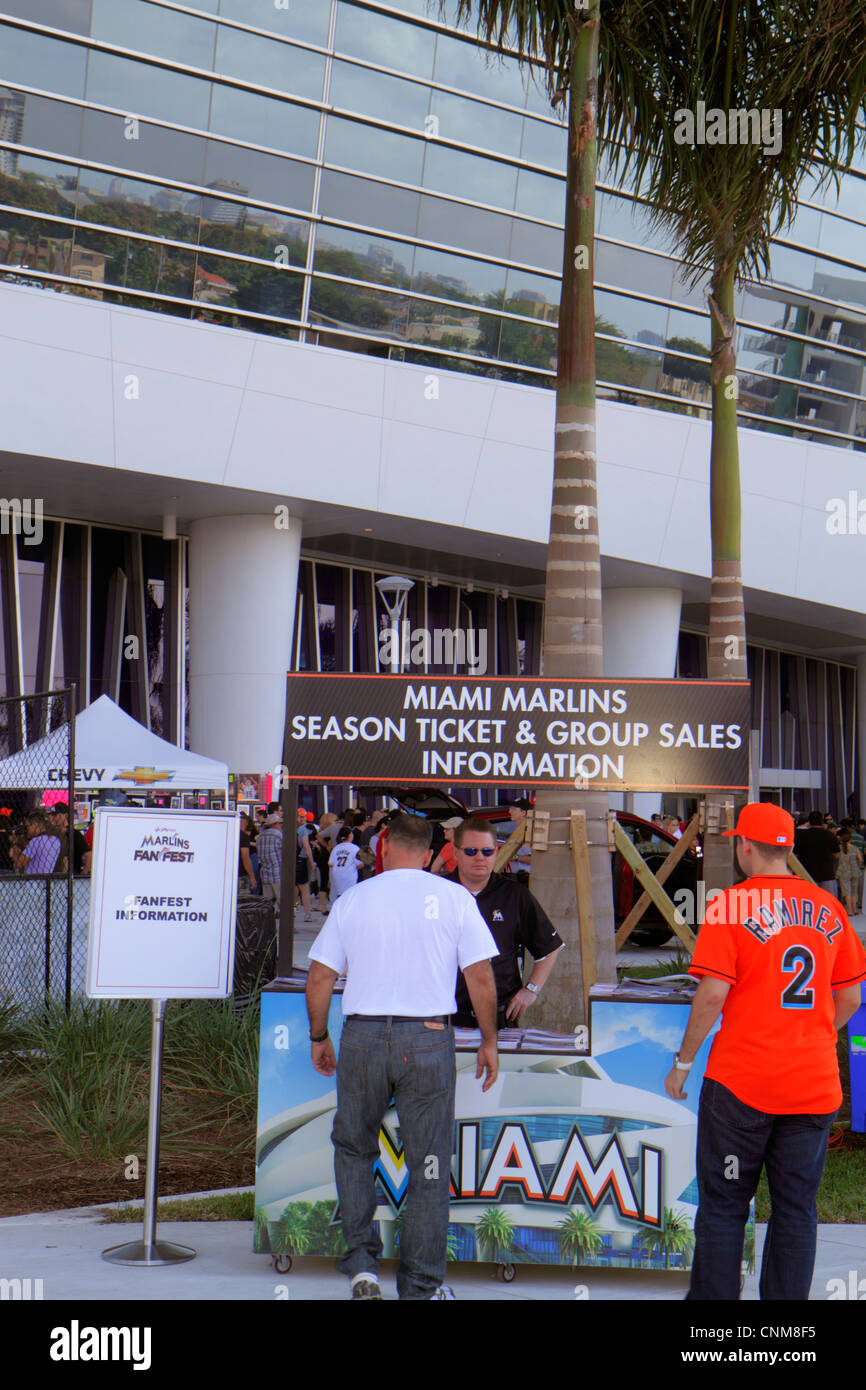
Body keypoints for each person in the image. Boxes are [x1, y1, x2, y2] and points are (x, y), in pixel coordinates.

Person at [664, 802, 866, 1301]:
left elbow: (712, 994)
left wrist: (683, 1061)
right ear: (790, 847)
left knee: (727, 1204)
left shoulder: (730, 905)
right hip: (812, 1085)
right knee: (796, 1207)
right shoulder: (830, 907)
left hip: (742, 1085)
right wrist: (815, 1033)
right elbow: (851, 996)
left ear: (744, 846)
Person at [305, 812, 499, 1301]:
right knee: (429, 1163)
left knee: (354, 1150)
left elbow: (320, 978)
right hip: (429, 1038)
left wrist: (318, 1036)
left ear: (386, 848)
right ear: (433, 854)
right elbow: (480, 978)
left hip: (363, 1038)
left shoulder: (354, 899)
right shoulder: (455, 898)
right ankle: (422, 1286)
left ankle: (363, 1269)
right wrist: (490, 1041)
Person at [448, 817, 564, 1029]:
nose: (480, 858)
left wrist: (531, 989)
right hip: (446, 1020)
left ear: (496, 852)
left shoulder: (514, 895)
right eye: (471, 851)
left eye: (487, 851)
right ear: (456, 853)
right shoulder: (438, 893)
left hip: (500, 1019)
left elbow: (550, 947)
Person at [793, 809, 840, 894]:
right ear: (822, 822)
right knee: (827, 902)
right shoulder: (829, 835)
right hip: (827, 874)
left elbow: (796, 854)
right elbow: (837, 855)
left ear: (809, 821)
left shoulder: (802, 836)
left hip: (807, 873)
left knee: (809, 900)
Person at [48, 802, 91, 875]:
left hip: (71, 874)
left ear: (65, 815)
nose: (53, 818)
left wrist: (83, 874)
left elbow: (88, 855)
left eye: (56, 815)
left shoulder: (74, 834)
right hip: (54, 874)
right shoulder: (52, 834)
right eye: (52, 815)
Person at [258, 808, 283, 917]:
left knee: (267, 901)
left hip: (265, 871)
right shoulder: (279, 834)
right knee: (282, 899)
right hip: (277, 870)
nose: (281, 825)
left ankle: (267, 921)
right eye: (280, 823)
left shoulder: (261, 836)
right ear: (275, 824)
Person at [328, 826, 364, 902]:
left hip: (337, 875)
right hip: (349, 876)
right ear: (350, 835)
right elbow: (359, 864)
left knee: (339, 896)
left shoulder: (336, 848)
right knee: (349, 897)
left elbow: (330, 863)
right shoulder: (354, 848)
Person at [835, 828, 862, 915]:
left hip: (843, 871)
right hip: (854, 871)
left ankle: (849, 910)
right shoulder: (855, 848)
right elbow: (860, 859)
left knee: (846, 891)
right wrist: (858, 866)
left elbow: (836, 857)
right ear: (850, 839)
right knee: (854, 891)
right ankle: (855, 910)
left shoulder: (840, 848)